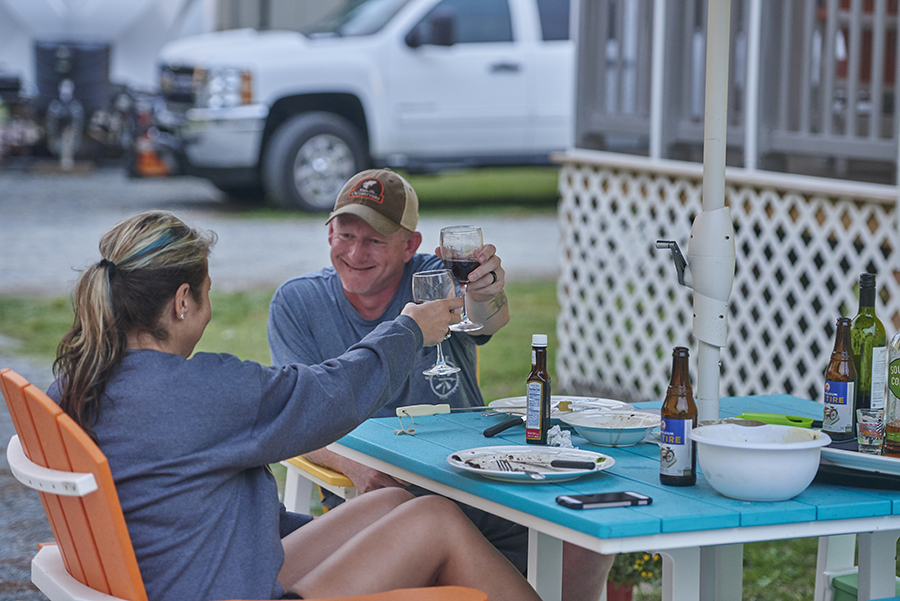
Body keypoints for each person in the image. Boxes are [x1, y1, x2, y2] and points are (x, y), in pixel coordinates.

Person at [49, 210, 540, 601]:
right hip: (220, 588)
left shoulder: (76, 385)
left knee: (394, 504)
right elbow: (331, 394)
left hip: (186, 572)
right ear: (182, 301)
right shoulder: (201, 392)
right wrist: (409, 331)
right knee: (437, 519)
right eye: (206, 294)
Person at [267, 169, 615, 601]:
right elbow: (292, 417)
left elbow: (488, 318)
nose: (356, 252)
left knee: (587, 524)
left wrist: (486, 290)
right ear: (329, 234)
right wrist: (357, 467)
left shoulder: (436, 279)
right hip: (386, 495)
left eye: (374, 240)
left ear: (409, 245)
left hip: (480, 478)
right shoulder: (299, 301)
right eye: (345, 235)